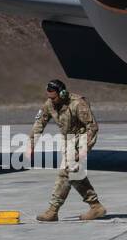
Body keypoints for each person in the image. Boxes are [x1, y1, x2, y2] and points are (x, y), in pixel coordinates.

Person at [28, 79, 107, 222]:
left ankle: (53, 210)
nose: (50, 100)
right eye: (49, 96)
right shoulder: (50, 104)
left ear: (62, 93)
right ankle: (96, 206)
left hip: (81, 138)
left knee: (65, 172)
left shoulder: (78, 104)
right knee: (75, 175)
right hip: (67, 141)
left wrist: (84, 149)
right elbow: (40, 122)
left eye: (53, 97)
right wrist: (31, 144)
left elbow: (92, 127)